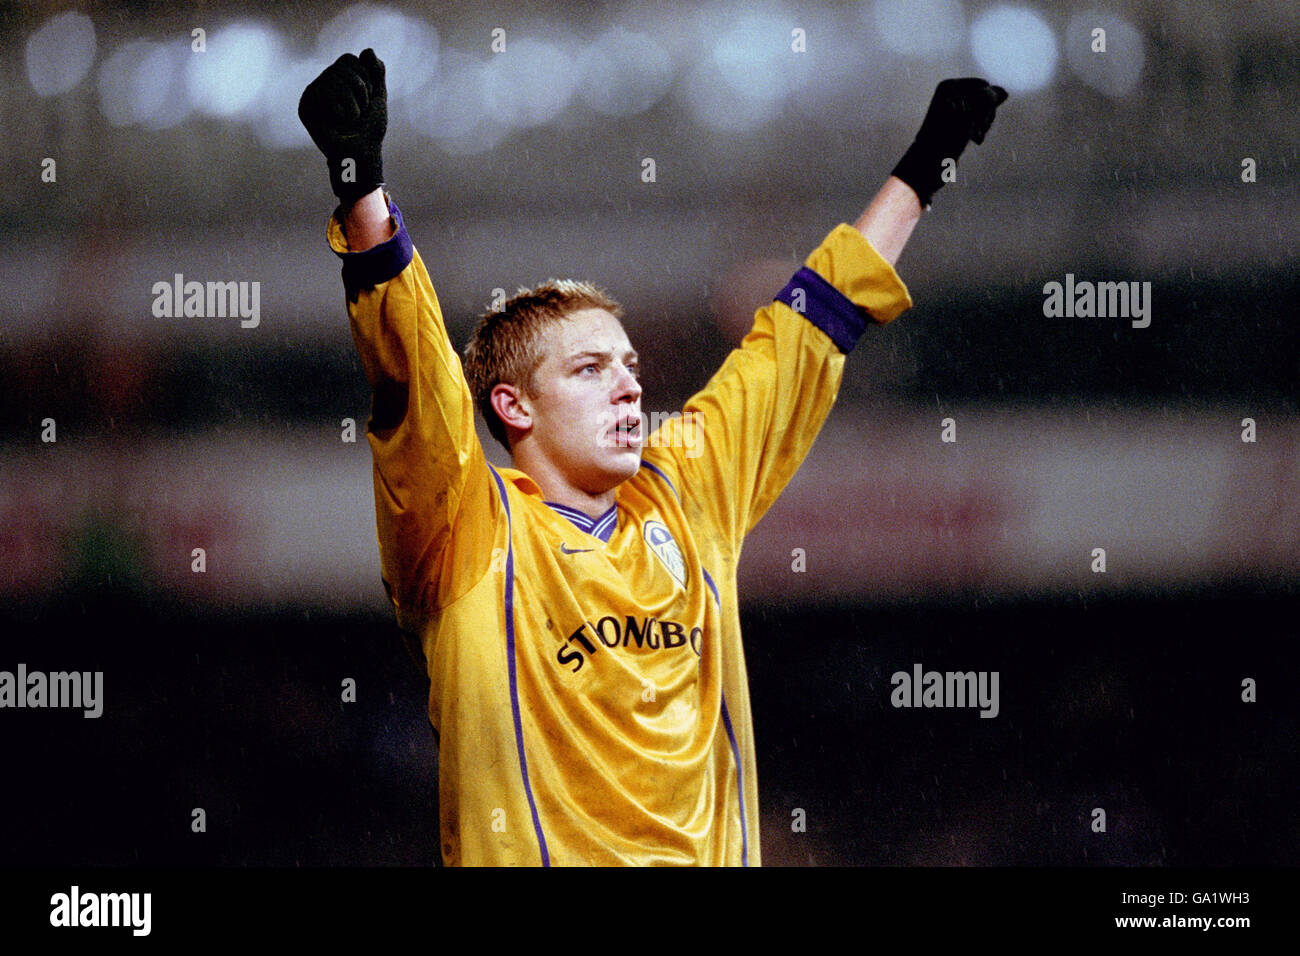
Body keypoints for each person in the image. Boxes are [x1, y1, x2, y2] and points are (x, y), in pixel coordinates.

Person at [300, 49, 1006, 866]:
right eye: (590, 369)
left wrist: (926, 166)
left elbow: (808, 328)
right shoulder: (466, 530)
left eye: (631, 368)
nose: (629, 389)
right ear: (512, 405)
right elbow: (415, 380)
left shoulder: (687, 493)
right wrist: (361, 192)